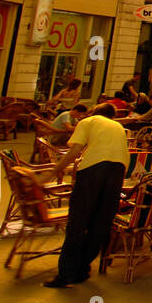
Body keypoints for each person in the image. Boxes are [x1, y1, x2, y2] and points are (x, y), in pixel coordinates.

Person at [45, 102, 129, 288]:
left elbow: (75, 150)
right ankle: (82, 268)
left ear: (93, 113)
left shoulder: (88, 121)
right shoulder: (119, 127)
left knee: (78, 222)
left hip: (93, 170)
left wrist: (55, 170)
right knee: (100, 223)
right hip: (117, 171)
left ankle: (65, 274)